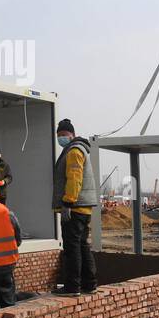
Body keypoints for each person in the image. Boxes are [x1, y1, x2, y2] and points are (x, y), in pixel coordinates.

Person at [52, 118, 98, 295]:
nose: (61, 138)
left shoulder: (73, 151)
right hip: (83, 207)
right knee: (82, 246)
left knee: (72, 248)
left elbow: (74, 178)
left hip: (74, 207)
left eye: (64, 134)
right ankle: (89, 284)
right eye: (59, 135)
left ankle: (72, 286)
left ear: (72, 134)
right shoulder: (80, 149)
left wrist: (68, 202)